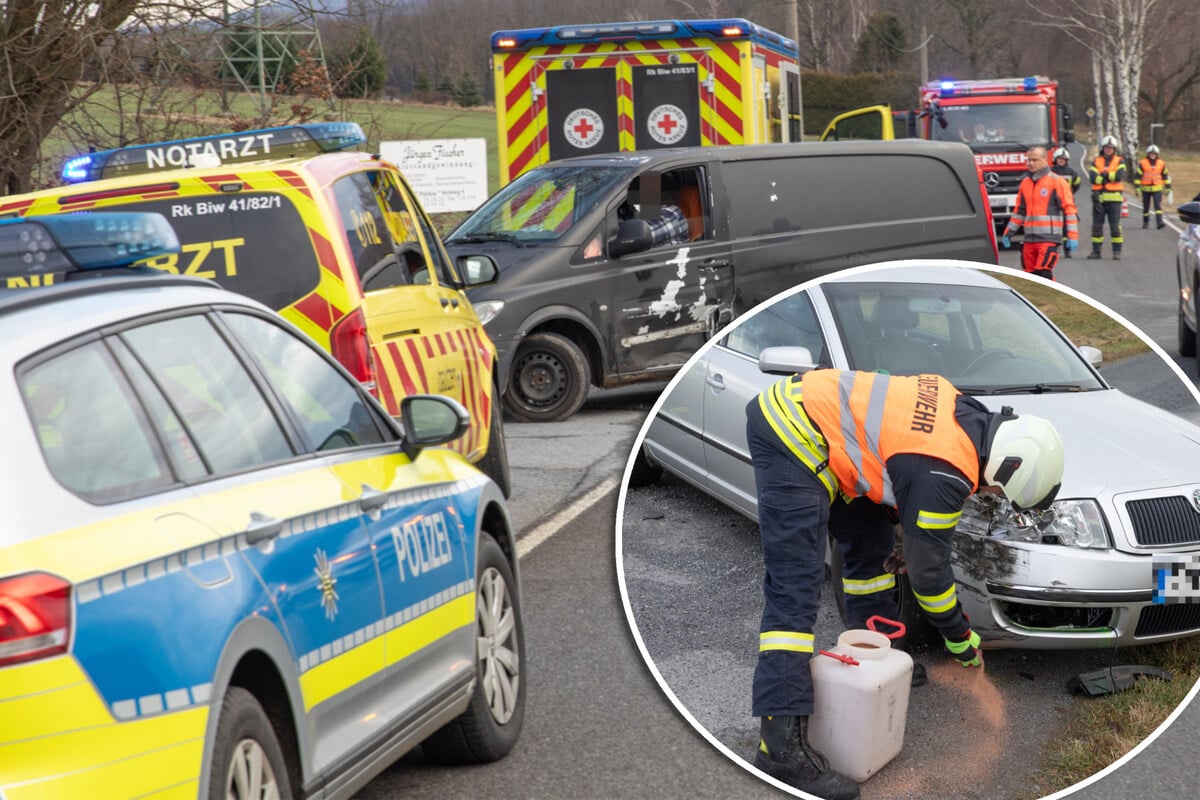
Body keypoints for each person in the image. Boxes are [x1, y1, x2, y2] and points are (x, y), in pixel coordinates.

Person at [746, 368, 1064, 800]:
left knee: (872, 550)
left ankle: (877, 663)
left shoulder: (969, 415)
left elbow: (896, 456)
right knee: (794, 587)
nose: (987, 496)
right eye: (995, 493)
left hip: (831, 436)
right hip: (791, 432)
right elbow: (930, 578)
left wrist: (905, 532)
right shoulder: (947, 473)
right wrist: (958, 638)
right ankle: (779, 748)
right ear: (1007, 468)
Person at [1001, 146, 1079, 279]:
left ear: (1045, 160)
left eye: (1035, 160)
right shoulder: (1025, 183)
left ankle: (1051, 300)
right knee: (1029, 277)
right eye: (1029, 160)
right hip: (1029, 240)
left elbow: (1069, 209)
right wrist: (1009, 232)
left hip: (1048, 239)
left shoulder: (1057, 182)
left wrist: (1072, 236)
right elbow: (1020, 211)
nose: (1030, 163)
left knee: (1043, 275)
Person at [1087, 136, 1127, 260]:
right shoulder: (1096, 161)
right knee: (1097, 226)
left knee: (1115, 226)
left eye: (1111, 148)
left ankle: (1117, 251)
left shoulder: (1120, 161)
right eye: (1106, 147)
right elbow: (1093, 177)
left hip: (1114, 200)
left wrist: (1103, 175)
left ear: (1114, 149)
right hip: (1099, 198)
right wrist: (1109, 177)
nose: (1108, 150)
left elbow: (1119, 177)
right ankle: (1096, 251)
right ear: (1102, 148)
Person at [1051, 147, 1082, 257]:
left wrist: (1069, 194)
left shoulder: (1071, 172)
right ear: (1055, 159)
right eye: (1059, 159)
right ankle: (1055, 249)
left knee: (1067, 227)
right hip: (1053, 203)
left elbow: (1077, 183)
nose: (1061, 161)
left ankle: (1067, 250)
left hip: (1067, 203)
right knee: (1054, 227)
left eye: (1063, 159)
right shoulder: (1051, 171)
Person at [1135, 144, 1172, 230]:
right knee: (1146, 207)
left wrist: (1168, 187)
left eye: (1154, 153)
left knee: (1157, 206)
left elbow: (1165, 176)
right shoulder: (1143, 163)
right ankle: (1146, 222)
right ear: (1148, 154)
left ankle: (1159, 222)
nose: (1152, 155)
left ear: (1157, 154)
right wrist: (1137, 188)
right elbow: (1138, 176)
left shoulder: (1161, 163)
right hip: (1145, 188)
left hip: (1157, 188)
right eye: (1151, 153)